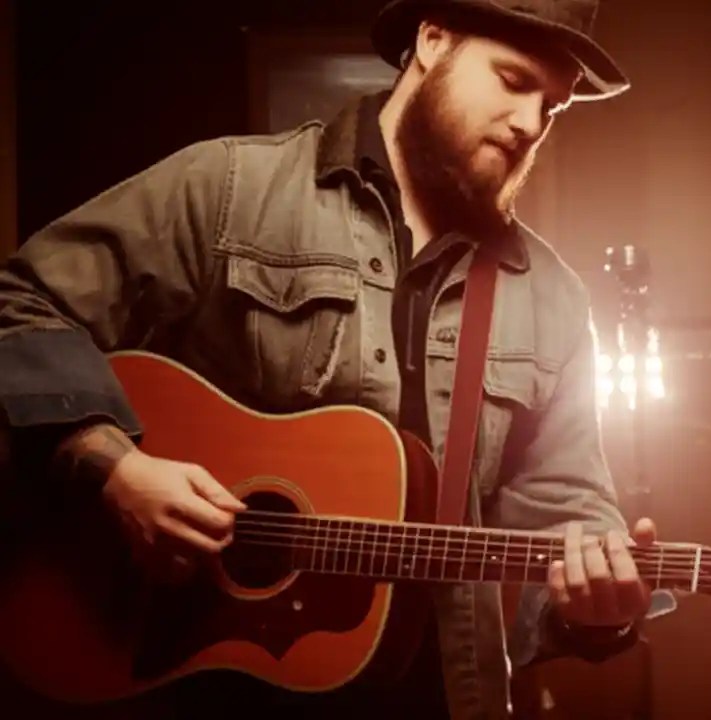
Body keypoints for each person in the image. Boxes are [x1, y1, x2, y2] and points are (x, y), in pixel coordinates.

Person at [0, 0, 656, 717]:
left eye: (553, 107)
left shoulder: (554, 299)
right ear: (432, 40)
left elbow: (560, 519)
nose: (531, 123)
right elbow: (20, 309)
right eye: (511, 80)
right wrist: (114, 468)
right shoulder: (227, 191)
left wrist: (597, 613)